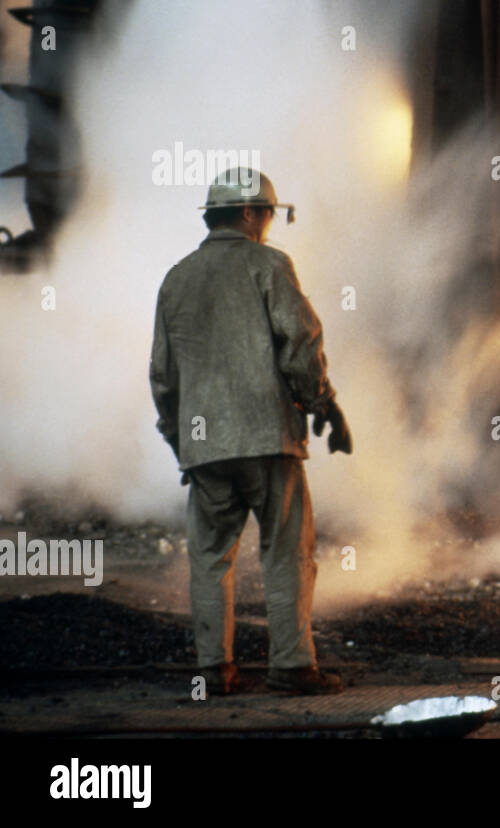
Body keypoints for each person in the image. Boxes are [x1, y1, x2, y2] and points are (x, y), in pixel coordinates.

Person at [150, 167, 352, 696]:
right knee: (286, 553)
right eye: (267, 213)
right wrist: (322, 404)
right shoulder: (270, 265)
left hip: (205, 447)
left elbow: (163, 377)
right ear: (248, 212)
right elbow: (302, 343)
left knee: (211, 559)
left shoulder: (176, 278)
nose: (268, 224)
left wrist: (183, 444)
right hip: (267, 440)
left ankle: (214, 671)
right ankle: (291, 667)